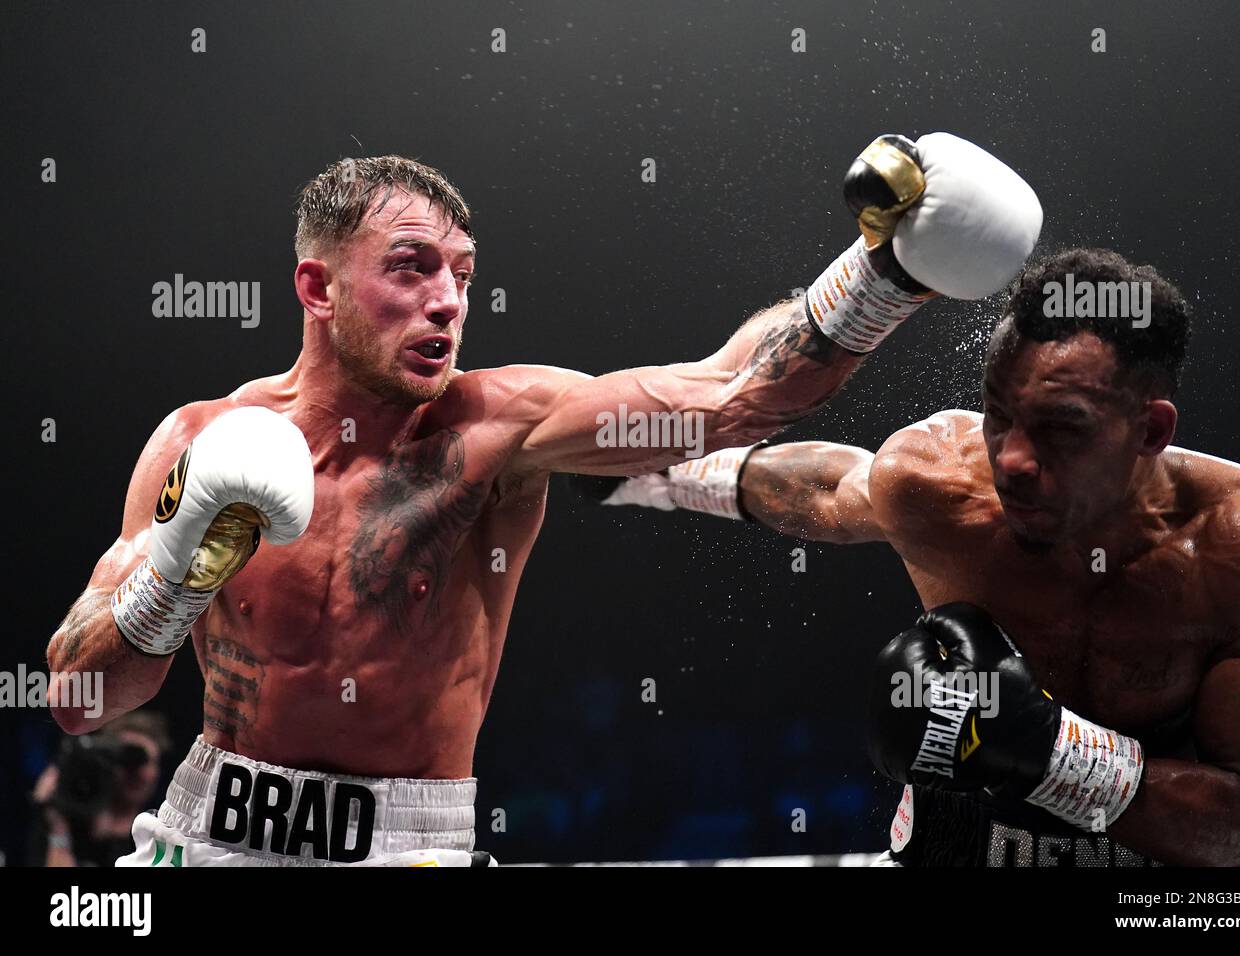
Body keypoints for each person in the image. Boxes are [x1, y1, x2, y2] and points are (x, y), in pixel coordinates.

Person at [45, 134, 1040, 866]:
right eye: (412, 267)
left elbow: (733, 394)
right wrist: (178, 571)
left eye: (464, 275)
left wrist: (885, 267)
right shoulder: (196, 437)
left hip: (408, 848)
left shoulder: (500, 431)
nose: (448, 298)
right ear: (317, 286)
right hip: (200, 837)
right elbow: (82, 697)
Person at [589, 247, 1240, 866]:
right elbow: (827, 488)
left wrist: (1045, 747)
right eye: (998, 415)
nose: (1013, 460)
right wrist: (642, 472)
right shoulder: (941, 485)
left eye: (1060, 428)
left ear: (1150, 430)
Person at [30, 711, 170, 867]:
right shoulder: (65, 827)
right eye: (125, 758)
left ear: (157, 770)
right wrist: (56, 818)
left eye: (141, 760)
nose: (134, 772)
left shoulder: (161, 844)